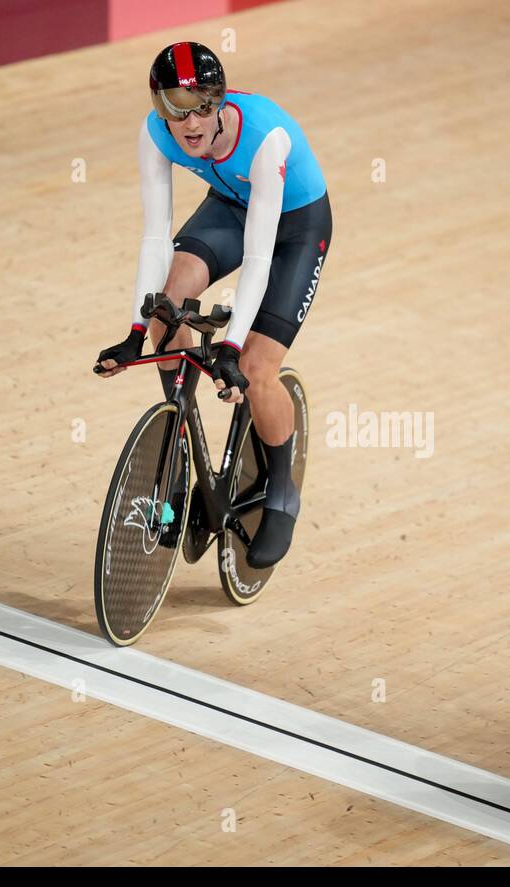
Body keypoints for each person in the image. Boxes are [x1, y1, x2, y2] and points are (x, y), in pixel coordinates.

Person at [95, 41, 331, 569]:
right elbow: (155, 239)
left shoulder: (264, 137)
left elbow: (259, 256)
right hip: (228, 207)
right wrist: (137, 329)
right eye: (176, 110)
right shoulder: (155, 134)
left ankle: (281, 493)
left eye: (203, 105)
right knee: (167, 307)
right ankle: (180, 439)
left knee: (254, 367)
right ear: (160, 111)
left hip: (292, 229)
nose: (191, 122)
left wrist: (228, 346)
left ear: (221, 100)